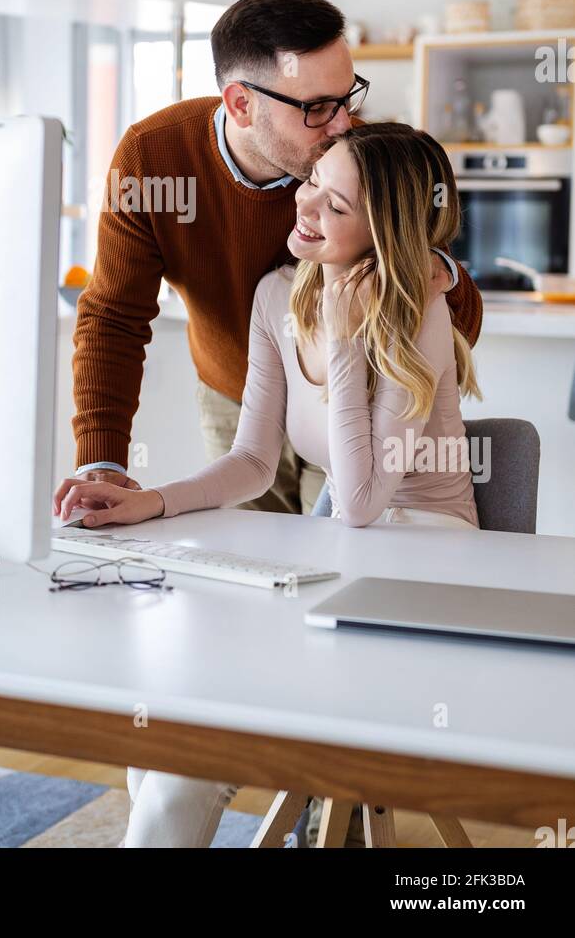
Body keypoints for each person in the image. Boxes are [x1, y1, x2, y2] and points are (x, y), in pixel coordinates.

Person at [56, 121, 483, 847]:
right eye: (313, 182)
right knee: (158, 725)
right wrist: (149, 501)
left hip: (422, 571)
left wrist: (348, 338)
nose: (307, 206)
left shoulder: (421, 311)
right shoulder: (277, 296)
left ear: (383, 235)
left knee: (183, 772)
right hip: (345, 555)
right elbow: (253, 460)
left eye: (337, 207)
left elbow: (360, 502)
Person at [69, 0, 482, 523]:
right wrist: (101, 463)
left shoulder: (348, 161)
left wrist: (428, 271)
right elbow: (114, 317)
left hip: (353, 398)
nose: (341, 124)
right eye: (316, 107)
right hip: (235, 390)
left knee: (329, 556)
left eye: (347, 96)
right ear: (242, 104)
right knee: (255, 561)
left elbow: (448, 311)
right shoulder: (152, 158)